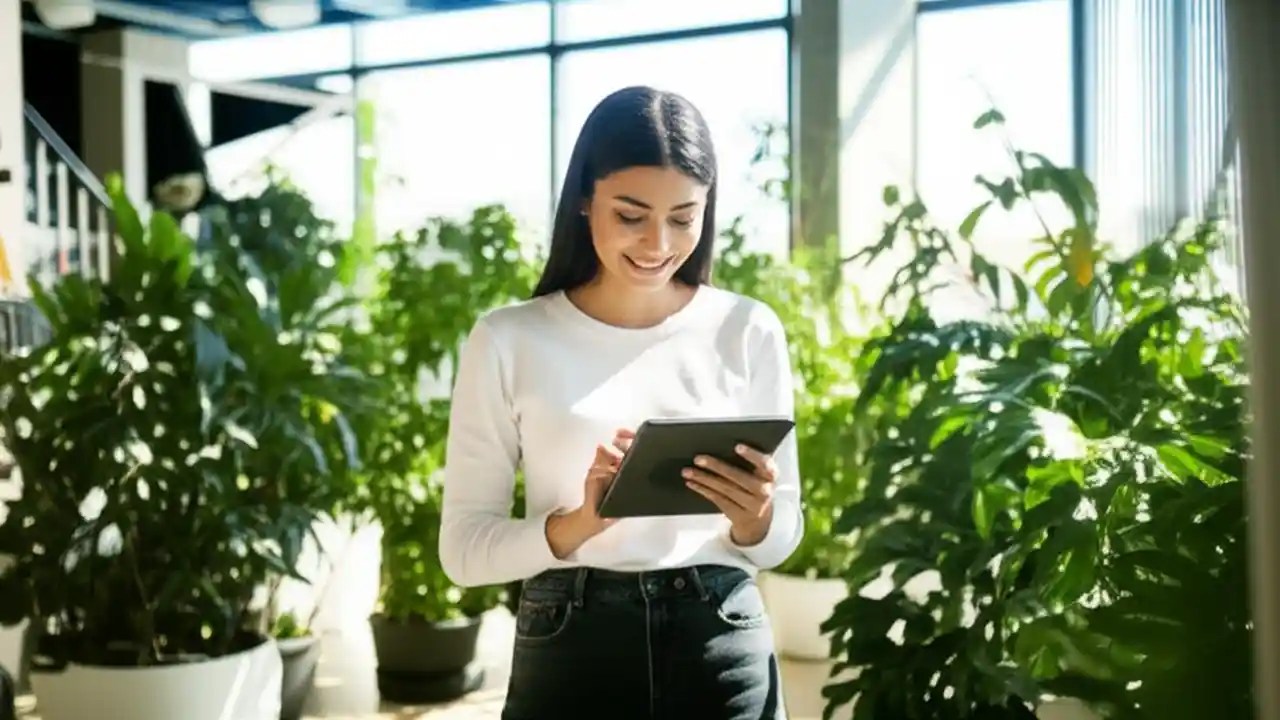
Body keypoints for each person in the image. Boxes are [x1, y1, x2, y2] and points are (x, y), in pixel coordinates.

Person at [439, 85, 803, 720]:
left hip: (722, 634)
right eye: (631, 215)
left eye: (684, 217)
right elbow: (464, 552)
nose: (658, 243)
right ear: (586, 200)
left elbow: (781, 539)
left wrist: (756, 519)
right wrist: (578, 523)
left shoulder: (749, 329)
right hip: (570, 637)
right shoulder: (508, 338)